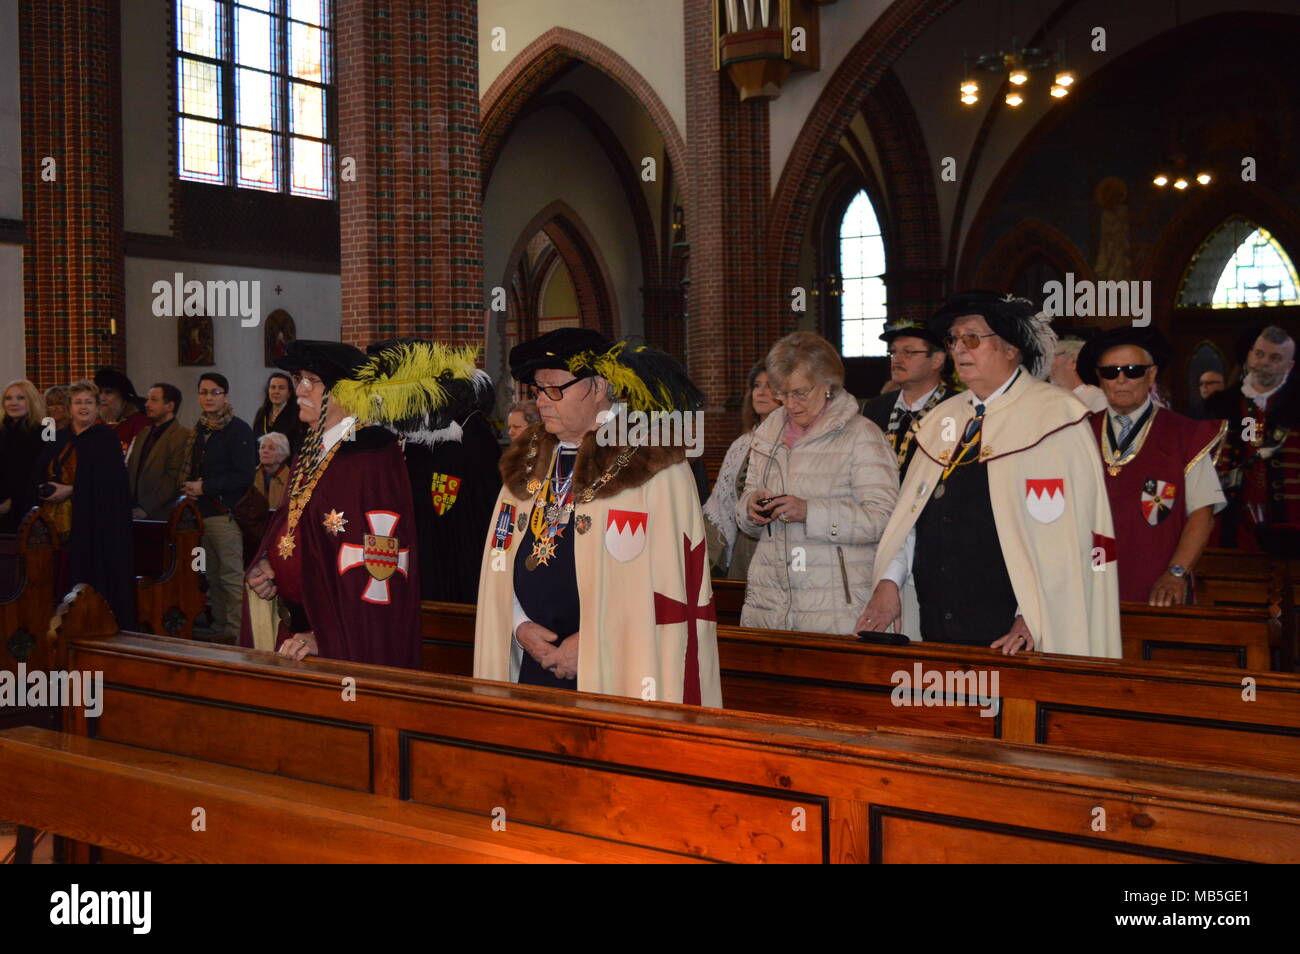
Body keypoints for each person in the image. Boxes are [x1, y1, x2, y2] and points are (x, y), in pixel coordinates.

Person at [857, 291, 1121, 658]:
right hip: (938, 620)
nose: (959, 349)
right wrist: (890, 581)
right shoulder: (942, 421)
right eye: (954, 340)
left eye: (972, 338)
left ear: (1011, 348)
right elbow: (912, 517)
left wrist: (1033, 613)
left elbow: (1070, 536)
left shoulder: (1056, 417)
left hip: (1009, 629)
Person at [474, 328, 721, 705]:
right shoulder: (528, 457)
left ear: (599, 386)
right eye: (538, 390)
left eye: (555, 388)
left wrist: (591, 642)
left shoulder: (652, 461)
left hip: (616, 665)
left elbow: (667, 586)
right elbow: (500, 553)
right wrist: (517, 622)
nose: (543, 402)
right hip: (531, 658)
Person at [242, 339, 445, 667]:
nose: (300, 391)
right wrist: (269, 564)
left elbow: (380, 570)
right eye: (298, 380)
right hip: (297, 625)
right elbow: (291, 525)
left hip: (339, 641)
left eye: (312, 381)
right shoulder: (312, 450)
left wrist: (328, 637)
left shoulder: (370, 457)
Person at [735, 333, 898, 635]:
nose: (790, 405)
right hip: (769, 605)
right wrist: (751, 509)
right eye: (782, 394)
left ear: (827, 385)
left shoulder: (861, 435)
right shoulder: (766, 435)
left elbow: (884, 519)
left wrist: (810, 512)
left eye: (800, 393)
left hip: (836, 607)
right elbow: (746, 514)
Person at [1076, 327, 1226, 605]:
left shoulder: (1185, 435)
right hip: (1090, 584)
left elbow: (1202, 514)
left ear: (1152, 375)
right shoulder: (1078, 433)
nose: (1121, 380)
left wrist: (1176, 573)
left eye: (1133, 370)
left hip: (1159, 588)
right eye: (1110, 372)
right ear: (1099, 378)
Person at [365, 338, 502, 604]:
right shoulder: (414, 434)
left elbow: (483, 517)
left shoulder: (468, 432)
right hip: (419, 569)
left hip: (461, 581)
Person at [33, 380, 135, 627]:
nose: (83, 407)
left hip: (95, 524)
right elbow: (39, 470)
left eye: (89, 402)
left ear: (97, 407)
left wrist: (71, 490)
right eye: (78, 402)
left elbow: (113, 486)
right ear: (70, 407)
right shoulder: (59, 438)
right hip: (58, 522)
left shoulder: (104, 440)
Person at [1205, 325, 1298, 550]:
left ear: (1289, 366)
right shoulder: (1220, 406)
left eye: (1275, 357)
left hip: (1290, 525)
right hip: (1232, 521)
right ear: (1249, 356)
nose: (1264, 362)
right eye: (1259, 354)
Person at [181, 373, 255, 641]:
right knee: (211, 576)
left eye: (215, 392)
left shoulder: (238, 430)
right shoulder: (200, 429)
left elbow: (243, 476)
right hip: (202, 513)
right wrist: (190, 486)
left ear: (226, 396)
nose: (208, 398)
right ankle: (219, 630)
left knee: (231, 578)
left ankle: (237, 635)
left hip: (226, 514)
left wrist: (205, 487)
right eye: (203, 392)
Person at [702, 362, 778, 578]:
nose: (761, 392)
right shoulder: (741, 445)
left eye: (769, 386)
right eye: (757, 385)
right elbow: (721, 504)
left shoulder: (791, 444)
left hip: (777, 545)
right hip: (743, 546)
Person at [861, 319, 954, 478]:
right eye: (893, 352)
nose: (896, 359)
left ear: (937, 360)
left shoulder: (956, 407)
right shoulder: (874, 408)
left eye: (908, 352)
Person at [127, 383, 191, 521]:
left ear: (170, 406)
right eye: (148, 399)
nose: (147, 404)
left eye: (154, 400)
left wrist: (146, 507)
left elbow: (173, 478)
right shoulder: (143, 433)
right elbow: (131, 470)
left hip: (161, 514)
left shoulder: (183, 435)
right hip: (133, 510)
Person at [0, 380, 45, 534]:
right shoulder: (1, 432)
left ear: (31, 401)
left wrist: (11, 501)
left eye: (20, 398)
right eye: (8, 398)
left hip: (26, 506)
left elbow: (37, 473)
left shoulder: (44, 432)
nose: (13, 403)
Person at [93, 367, 149, 456]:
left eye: (108, 392)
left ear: (123, 397)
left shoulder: (140, 423)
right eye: (100, 392)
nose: (102, 398)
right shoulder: (94, 423)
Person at [1050, 332, 1109, 413]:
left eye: (1054, 356)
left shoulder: (1096, 397)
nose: (1048, 363)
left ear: (1073, 362)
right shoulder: (1050, 396)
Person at [252, 371, 306, 458]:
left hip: (287, 466)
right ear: (268, 391)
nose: (276, 391)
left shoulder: (297, 414)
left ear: (289, 393)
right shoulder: (261, 413)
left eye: (281, 388)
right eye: (273, 387)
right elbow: (255, 442)